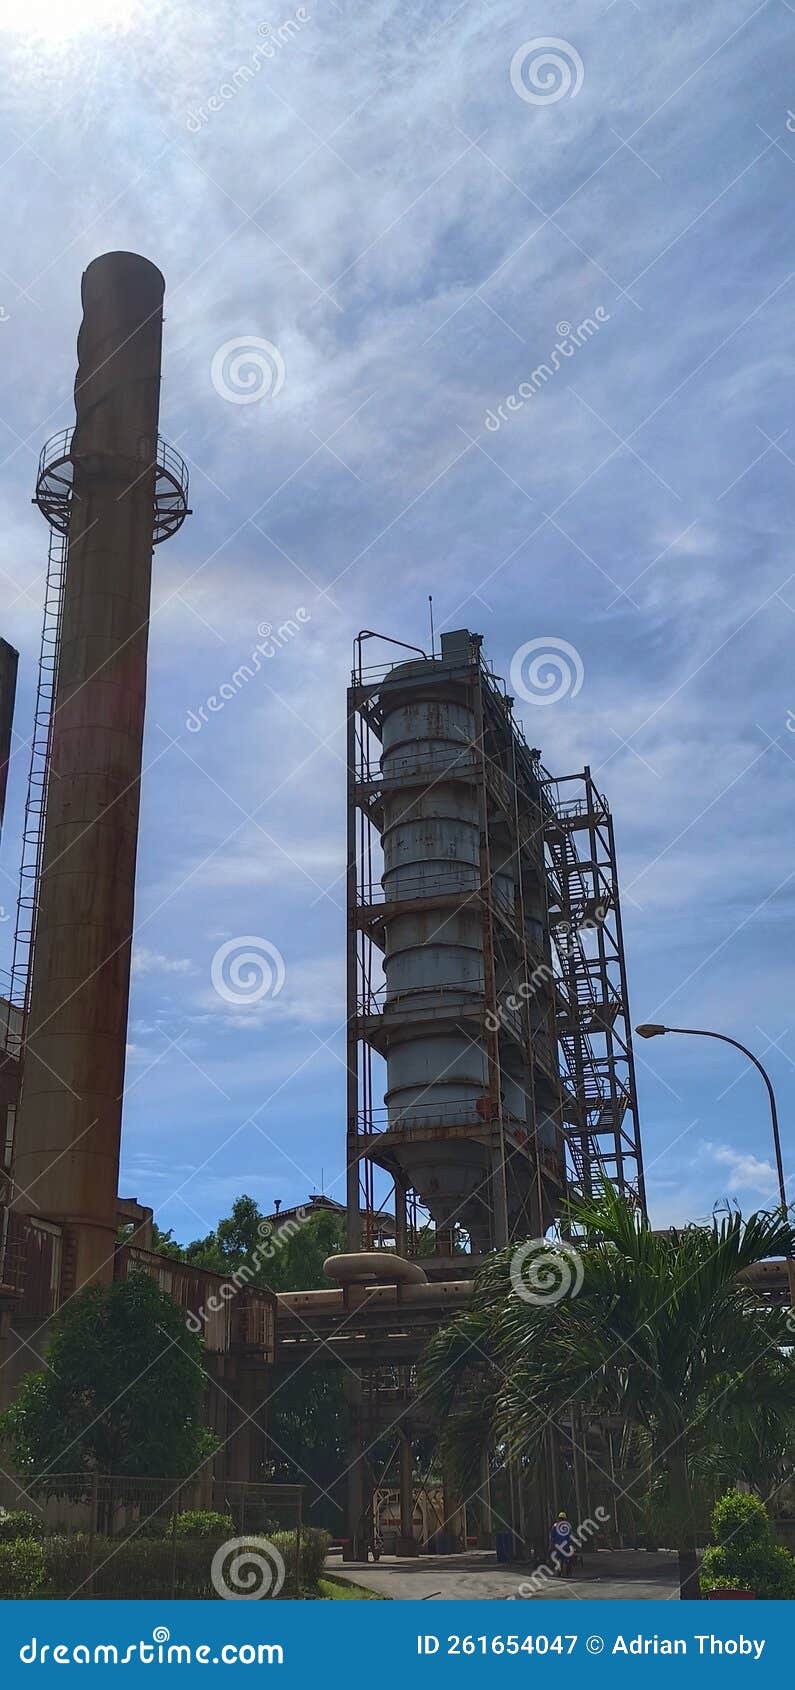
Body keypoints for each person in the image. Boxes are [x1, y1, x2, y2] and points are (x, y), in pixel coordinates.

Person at [549, 1510, 575, 1576]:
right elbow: (571, 1536)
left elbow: (552, 1536)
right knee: (565, 1560)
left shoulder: (555, 1526)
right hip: (565, 1546)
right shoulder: (568, 1526)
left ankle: (558, 1573)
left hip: (557, 1546)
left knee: (558, 1559)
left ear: (558, 1518)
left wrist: (551, 1545)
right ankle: (564, 1574)